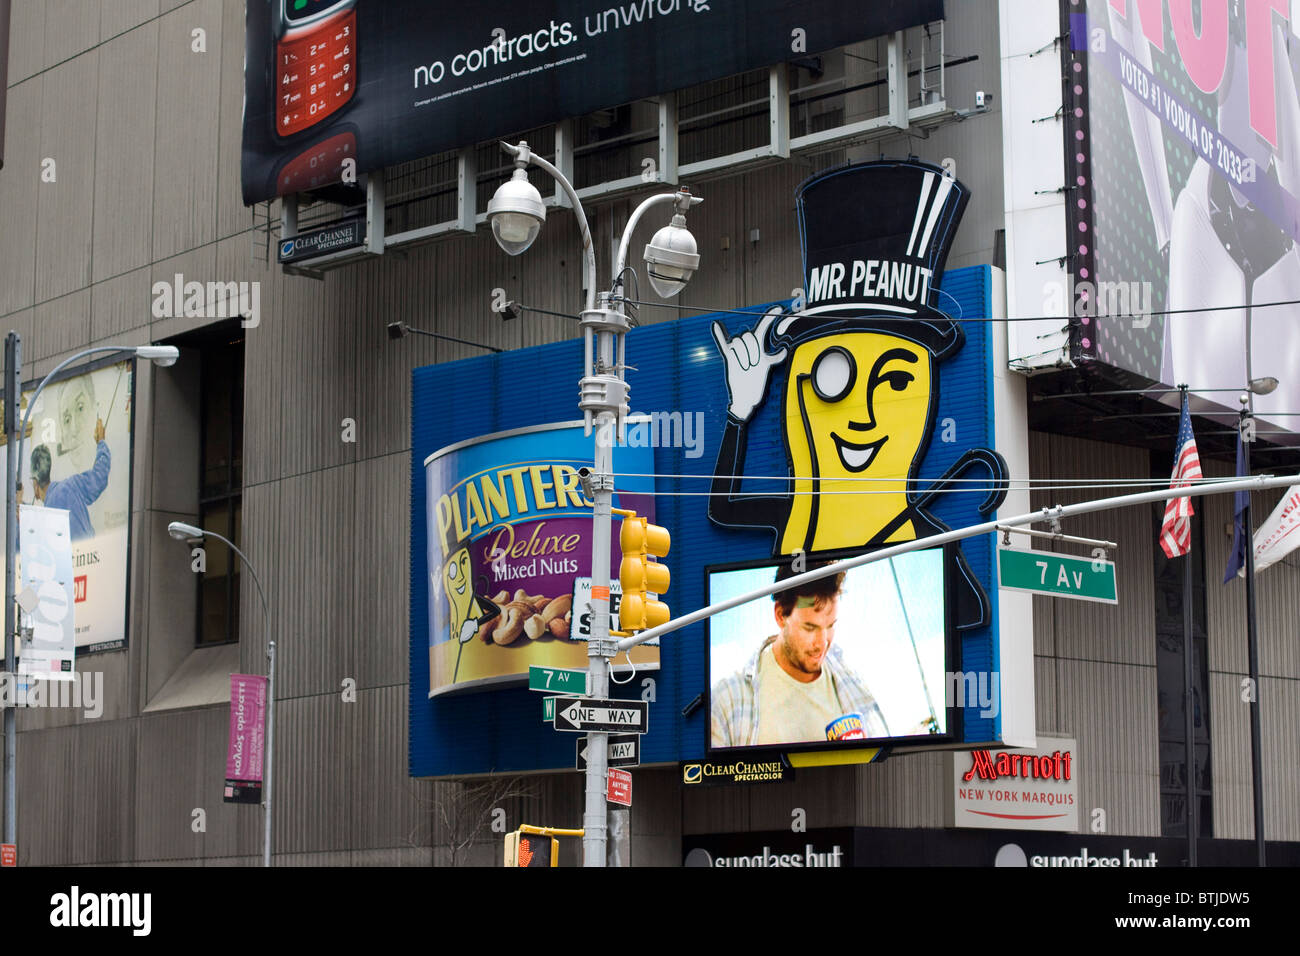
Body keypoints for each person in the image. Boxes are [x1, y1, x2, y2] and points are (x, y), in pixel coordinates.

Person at [710, 563, 888, 749]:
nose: (822, 643)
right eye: (810, 627)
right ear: (780, 615)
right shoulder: (727, 699)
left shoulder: (854, 685)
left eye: (830, 626)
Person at [29, 417, 111, 540]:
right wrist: (101, 442)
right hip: (91, 550)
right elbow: (100, 475)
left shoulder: (45, 518)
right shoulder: (72, 485)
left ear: (35, 484)